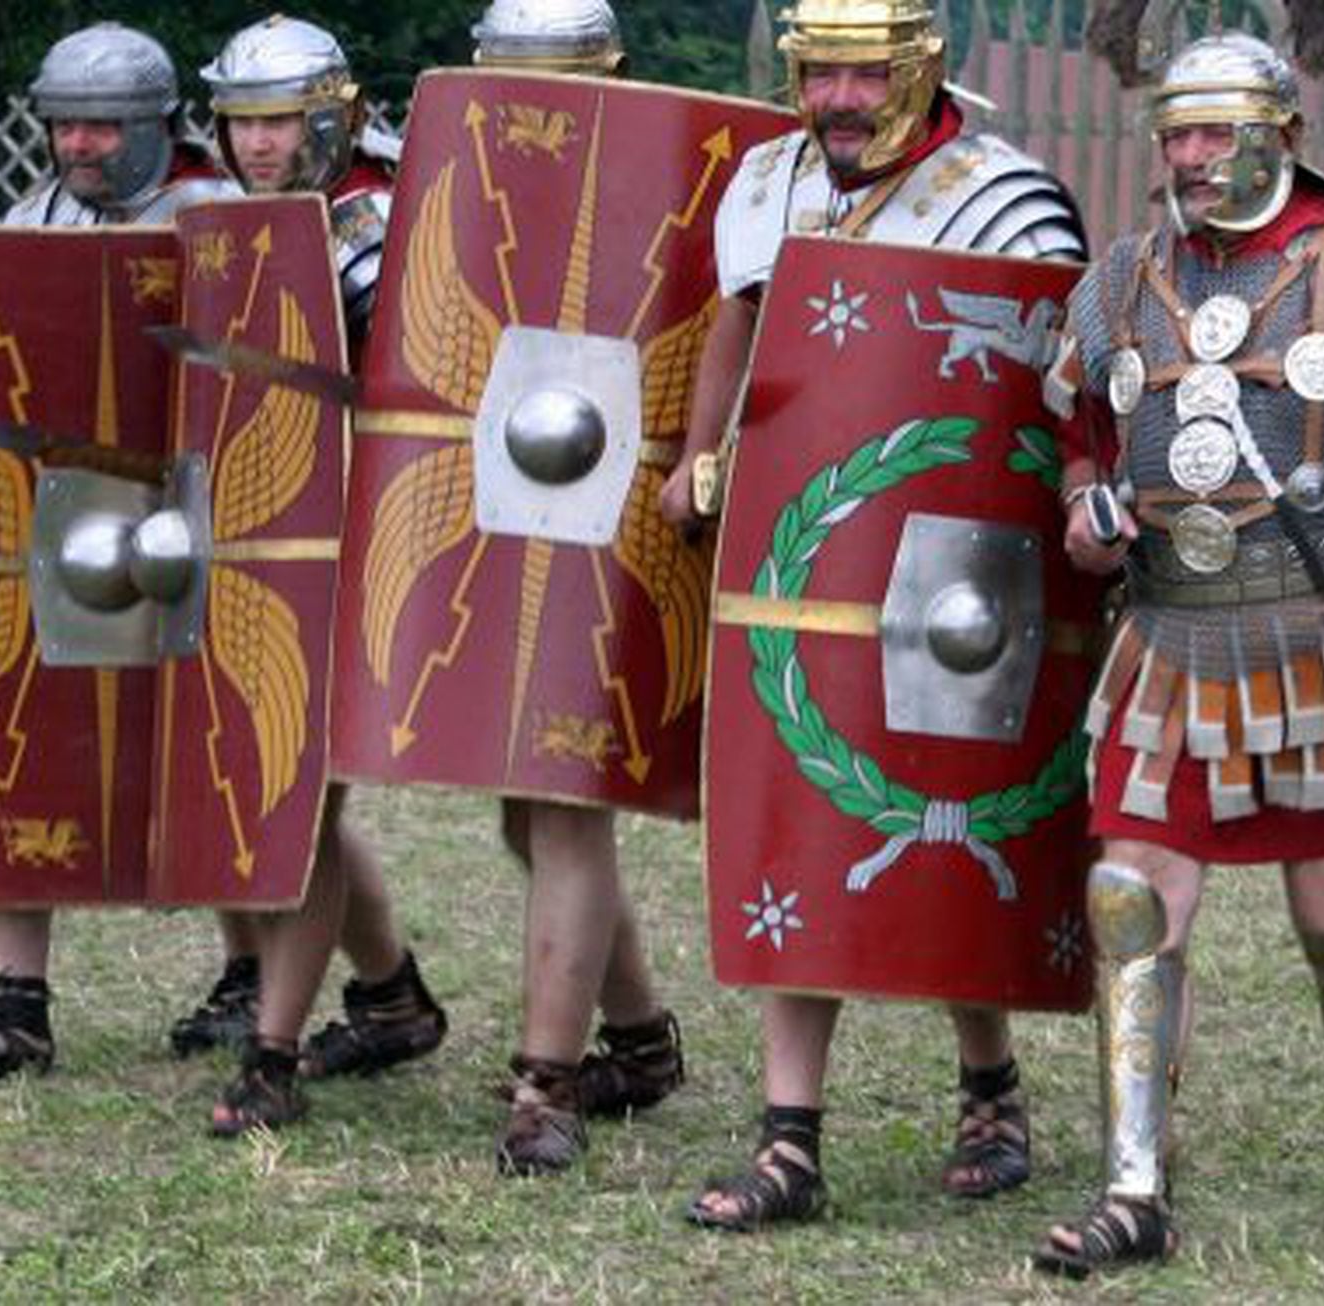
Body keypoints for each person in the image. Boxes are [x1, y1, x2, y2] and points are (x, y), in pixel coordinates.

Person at [1030, 29, 1324, 1277]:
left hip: (1320, 645)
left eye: (1211, 132)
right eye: (1172, 134)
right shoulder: (1119, 282)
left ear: (1277, 133)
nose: (1185, 157)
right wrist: (1084, 511)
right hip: (1168, 639)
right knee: (1131, 901)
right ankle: (1133, 1188)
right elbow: (1079, 438)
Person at [663, 0, 1086, 1230]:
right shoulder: (768, 182)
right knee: (805, 809)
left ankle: (990, 1088)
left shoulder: (1003, 198)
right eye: (818, 71)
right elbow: (740, 321)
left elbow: (1052, 382)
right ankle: (789, 1140)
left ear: (919, 66)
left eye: (864, 72)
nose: (839, 99)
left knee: (950, 810)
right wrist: (700, 458)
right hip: (810, 560)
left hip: (962, 564)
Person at [0, 21, 241, 1092]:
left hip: (196, 524)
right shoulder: (27, 222)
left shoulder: (219, 221)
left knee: (213, 747)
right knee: (15, 730)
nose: (78, 146)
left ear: (155, 125)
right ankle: (14, 1003)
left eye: (101, 126)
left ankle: (251, 973)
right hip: (63, 530)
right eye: (64, 126)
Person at [193, 14, 448, 1137]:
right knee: (277, 788)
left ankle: (272, 1055)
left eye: (277, 121)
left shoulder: (383, 228)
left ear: (332, 116)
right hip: (248, 537)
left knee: (297, 800)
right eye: (241, 121)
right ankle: (390, 996)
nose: (255, 142)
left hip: (351, 540)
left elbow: (413, 403)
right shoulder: (236, 223)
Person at [466, 0, 688, 1178]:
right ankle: (641, 1040)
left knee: (564, 798)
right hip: (495, 514)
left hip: (616, 515)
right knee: (525, 807)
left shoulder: (668, 180)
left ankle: (544, 1084)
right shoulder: (463, 184)